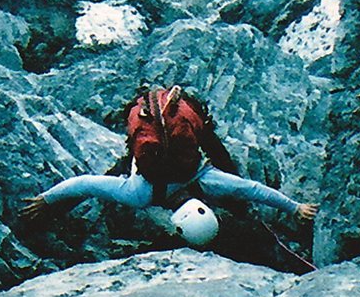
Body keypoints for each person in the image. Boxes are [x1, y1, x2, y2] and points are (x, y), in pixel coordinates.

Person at [19, 85, 316, 231]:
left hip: (146, 167)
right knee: (234, 191)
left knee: (114, 175)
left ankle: (48, 212)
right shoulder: (205, 182)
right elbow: (248, 188)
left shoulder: (139, 194)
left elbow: (85, 185)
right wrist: (294, 208)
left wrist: (46, 199)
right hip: (178, 168)